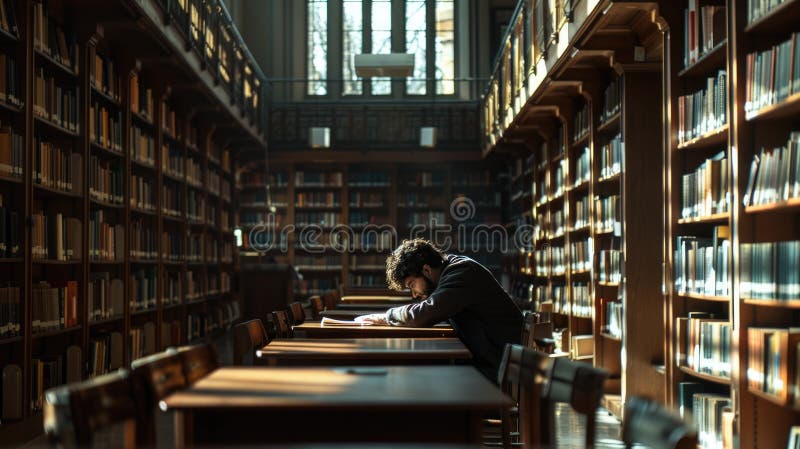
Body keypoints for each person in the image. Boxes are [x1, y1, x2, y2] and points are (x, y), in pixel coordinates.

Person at [356, 238, 523, 381]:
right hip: (490, 359)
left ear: (427, 270)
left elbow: (423, 314)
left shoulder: (461, 272)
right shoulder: (451, 271)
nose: (414, 294)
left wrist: (387, 316)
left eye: (412, 285)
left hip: (499, 368)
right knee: (422, 376)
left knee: (421, 378)